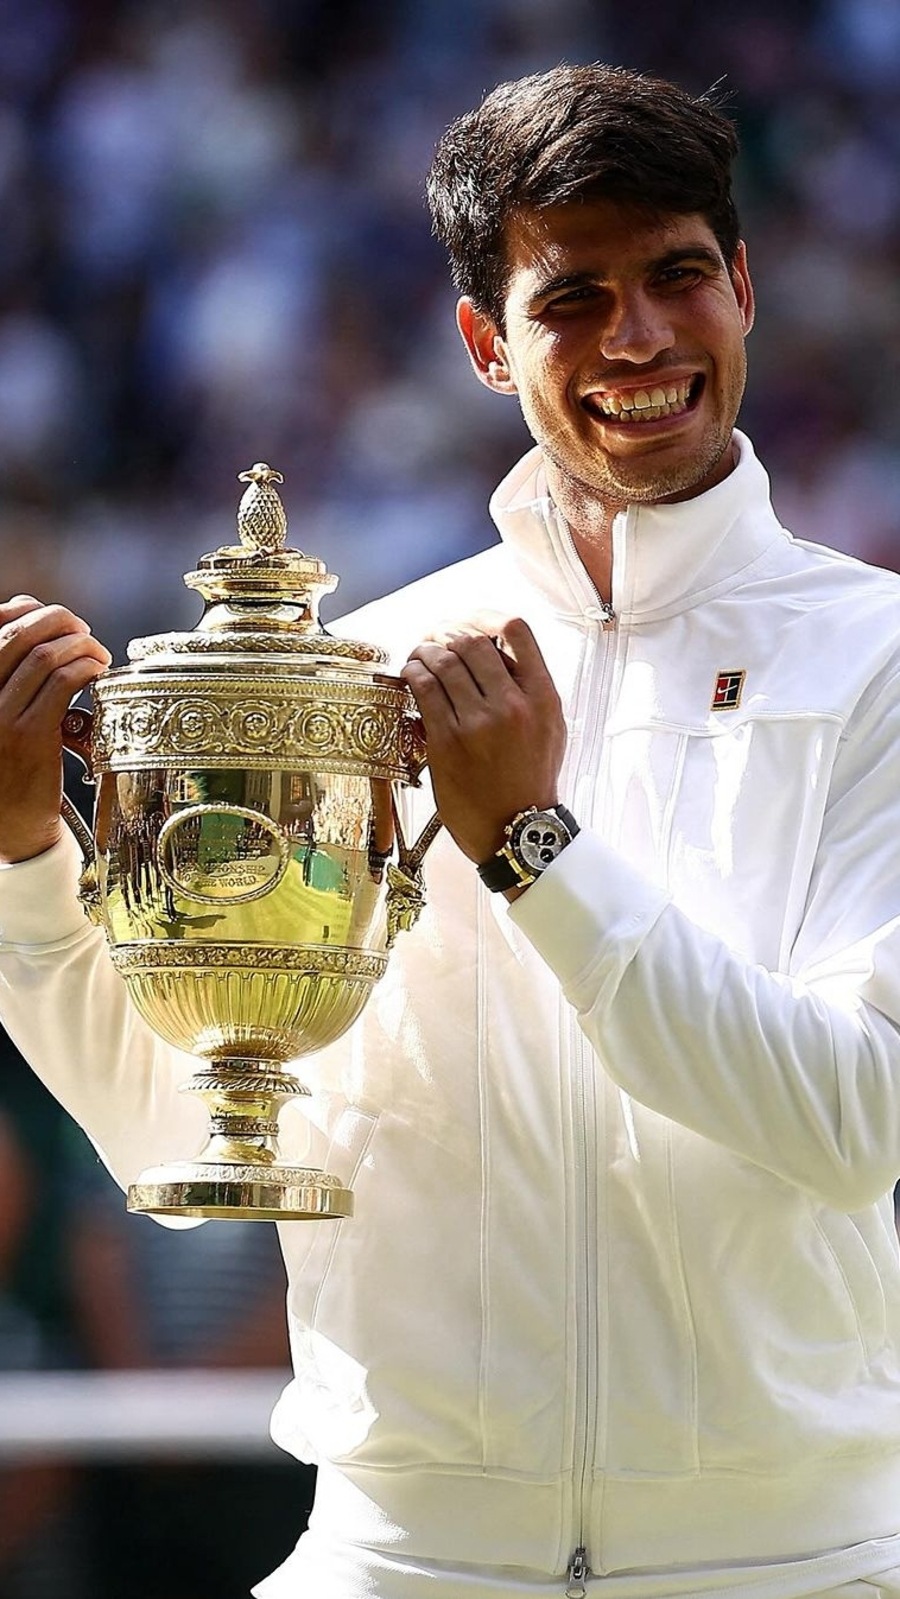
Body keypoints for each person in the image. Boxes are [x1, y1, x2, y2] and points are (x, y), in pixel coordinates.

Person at [3, 59, 900, 1599]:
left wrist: (535, 849)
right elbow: (184, 1128)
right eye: (573, 298)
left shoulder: (876, 658)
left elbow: (852, 1121)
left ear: (745, 289)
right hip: (396, 1557)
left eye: (679, 275)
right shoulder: (357, 678)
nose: (638, 336)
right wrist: (28, 854)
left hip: (795, 1563)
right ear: (488, 344)